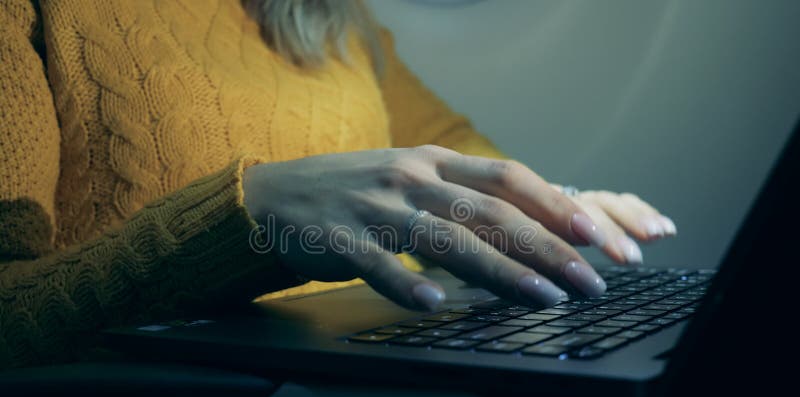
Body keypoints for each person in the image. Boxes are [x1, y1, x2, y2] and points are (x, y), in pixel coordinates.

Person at [0, 0, 675, 369]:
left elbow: (452, 151)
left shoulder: (332, 19)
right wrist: (250, 216)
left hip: (394, 378)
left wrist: (544, 209)